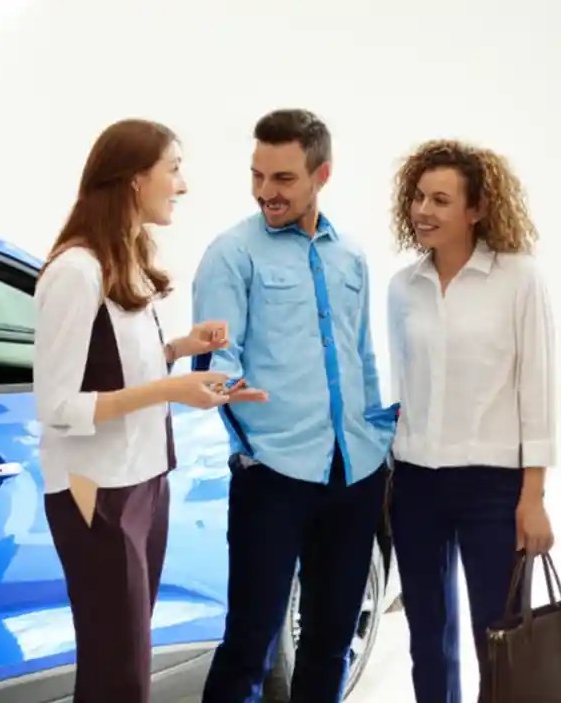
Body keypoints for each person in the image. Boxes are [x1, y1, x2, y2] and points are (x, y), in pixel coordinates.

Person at [33, 118, 268, 703]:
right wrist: (169, 392)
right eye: (174, 169)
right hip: (95, 490)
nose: (182, 185)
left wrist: (182, 351)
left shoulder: (125, 260)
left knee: (125, 663)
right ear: (136, 180)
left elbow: (116, 370)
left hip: (142, 481)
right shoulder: (74, 272)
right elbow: (58, 405)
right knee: (120, 673)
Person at [191, 108, 399, 703]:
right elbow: (215, 362)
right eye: (257, 175)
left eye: (282, 178)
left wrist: (376, 437)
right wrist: (225, 397)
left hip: (353, 475)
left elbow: (362, 359)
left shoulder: (350, 257)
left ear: (321, 175)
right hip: (273, 477)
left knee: (331, 642)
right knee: (249, 647)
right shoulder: (231, 255)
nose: (265, 192)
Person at [385, 139, 557, 703]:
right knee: (427, 639)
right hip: (414, 482)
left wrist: (532, 496)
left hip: (492, 486)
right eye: (418, 197)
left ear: (477, 209)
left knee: (499, 636)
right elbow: (404, 387)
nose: (423, 211)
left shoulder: (519, 280)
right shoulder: (402, 288)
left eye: (440, 199)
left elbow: (537, 389)